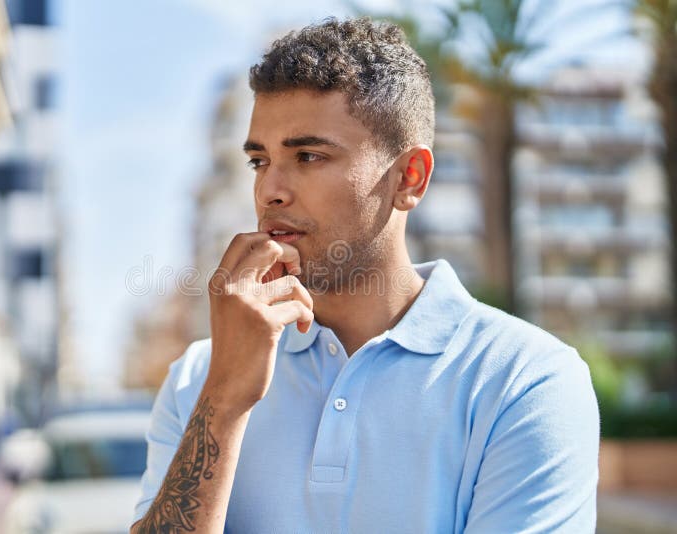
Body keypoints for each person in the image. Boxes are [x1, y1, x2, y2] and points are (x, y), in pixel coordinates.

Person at [130, 16, 599, 534]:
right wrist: (225, 397)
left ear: (409, 178)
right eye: (259, 161)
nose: (270, 191)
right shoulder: (198, 379)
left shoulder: (524, 381)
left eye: (308, 156)